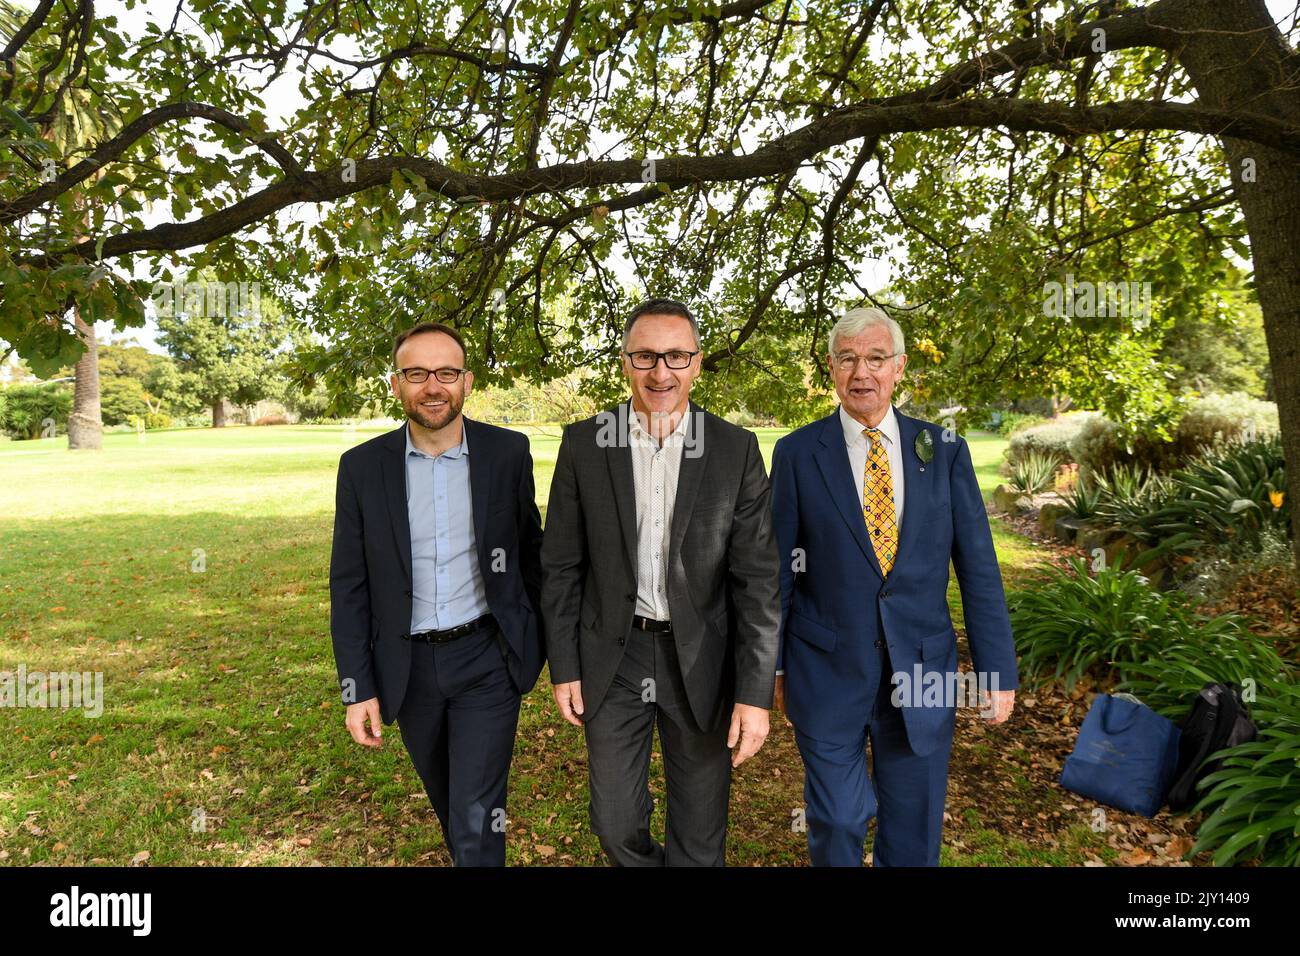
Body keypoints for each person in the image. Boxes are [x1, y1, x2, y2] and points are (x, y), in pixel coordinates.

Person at [769, 306, 1019, 866]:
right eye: (849, 359)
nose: (863, 372)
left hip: (923, 675)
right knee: (838, 816)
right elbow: (778, 572)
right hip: (825, 670)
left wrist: (996, 670)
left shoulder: (945, 449)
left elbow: (978, 569)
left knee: (912, 834)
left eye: (876, 359)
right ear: (831, 369)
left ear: (900, 368)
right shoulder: (796, 454)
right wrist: (775, 667)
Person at [541, 298, 781, 866]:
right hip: (613, 658)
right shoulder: (583, 443)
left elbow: (758, 582)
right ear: (625, 362)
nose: (660, 372)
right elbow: (560, 566)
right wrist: (565, 666)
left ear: (697, 364)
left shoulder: (735, 449)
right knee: (615, 823)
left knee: (700, 837)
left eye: (676, 356)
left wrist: (753, 693)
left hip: (701, 660)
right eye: (645, 356)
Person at [329, 321, 544, 866]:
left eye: (446, 372)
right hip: (408, 667)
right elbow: (349, 585)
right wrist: (357, 687)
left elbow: (532, 557)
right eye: (417, 373)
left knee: (475, 814)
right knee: (453, 809)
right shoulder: (362, 467)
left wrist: (535, 646)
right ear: (397, 384)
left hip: (486, 659)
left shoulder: (507, 453)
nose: (433, 386)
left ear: (466, 381)